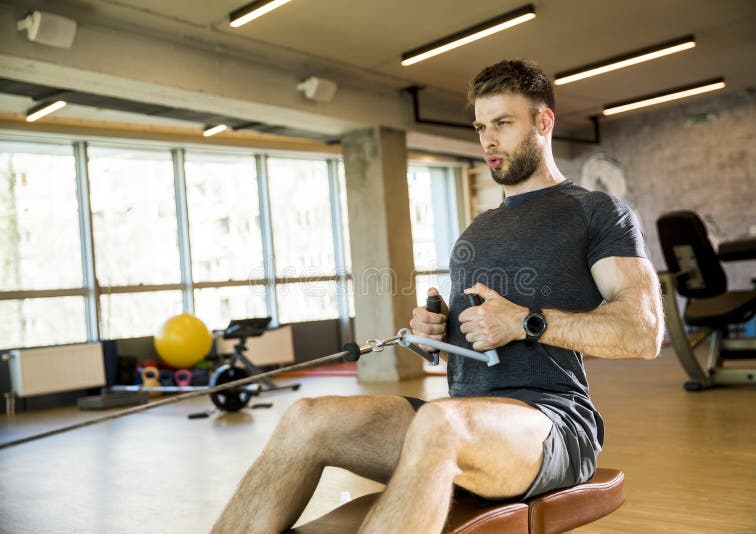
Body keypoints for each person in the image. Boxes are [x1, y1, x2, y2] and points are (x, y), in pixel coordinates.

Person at [213, 59, 664, 534]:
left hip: (551, 422)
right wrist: (437, 333)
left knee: (441, 424)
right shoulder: (479, 229)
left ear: (543, 122)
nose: (488, 140)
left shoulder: (596, 212)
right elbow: (474, 336)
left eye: (503, 124)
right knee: (307, 418)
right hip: (463, 418)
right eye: (481, 127)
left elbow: (644, 333)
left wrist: (525, 322)